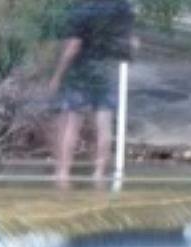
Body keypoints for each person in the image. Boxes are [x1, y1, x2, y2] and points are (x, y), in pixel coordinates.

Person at [47, 0, 139, 184]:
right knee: (104, 124)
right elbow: (132, 43)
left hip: (81, 72)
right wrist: (128, 57)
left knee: (72, 122)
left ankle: (63, 173)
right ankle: (99, 173)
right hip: (105, 71)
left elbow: (73, 46)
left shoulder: (82, 10)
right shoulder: (121, 7)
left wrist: (57, 74)